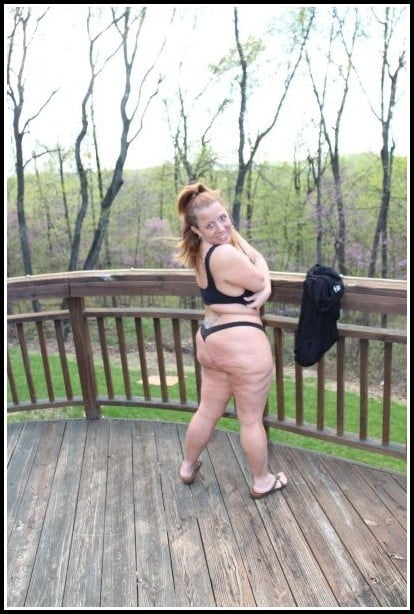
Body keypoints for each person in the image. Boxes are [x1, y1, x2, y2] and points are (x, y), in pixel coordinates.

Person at [175, 182, 287, 498]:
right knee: (250, 420)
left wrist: (227, 232)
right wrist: (266, 284)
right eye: (210, 224)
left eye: (223, 218)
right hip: (242, 345)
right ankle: (262, 480)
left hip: (211, 338)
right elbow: (258, 275)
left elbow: (236, 245)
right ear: (196, 229)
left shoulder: (200, 250)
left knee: (207, 411)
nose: (221, 228)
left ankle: (188, 466)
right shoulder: (224, 254)